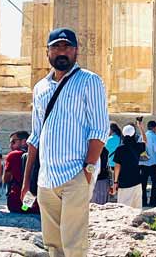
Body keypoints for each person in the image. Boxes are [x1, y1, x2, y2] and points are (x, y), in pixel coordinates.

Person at [20, 27, 110, 257]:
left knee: (74, 244)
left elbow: (99, 130)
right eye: (56, 47)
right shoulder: (40, 88)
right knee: (53, 244)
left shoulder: (90, 81)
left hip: (75, 174)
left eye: (67, 47)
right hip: (46, 178)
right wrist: (26, 180)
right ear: (47, 52)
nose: (62, 51)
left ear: (76, 51)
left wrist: (88, 170)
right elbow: (35, 136)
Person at [3, 131, 36, 214]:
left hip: (17, 201)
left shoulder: (13, 155)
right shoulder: (39, 155)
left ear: (24, 141)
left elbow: (6, 179)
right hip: (35, 203)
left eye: (13, 142)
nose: (10, 145)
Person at [111, 125, 144, 209]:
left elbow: (117, 166)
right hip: (137, 181)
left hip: (124, 182)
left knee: (123, 208)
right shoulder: (138, 146)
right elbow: (145, 141)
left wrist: (115, 182)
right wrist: (141, 127)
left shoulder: (120, 149)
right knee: (137, 208)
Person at [140, 120, 156, 207]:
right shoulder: (154, 136)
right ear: (153, 127)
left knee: (143, 183)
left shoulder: (142, 135)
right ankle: (153, 200)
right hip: (152, 163)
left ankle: (143, 201)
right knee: (155, 182)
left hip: (143, 163)